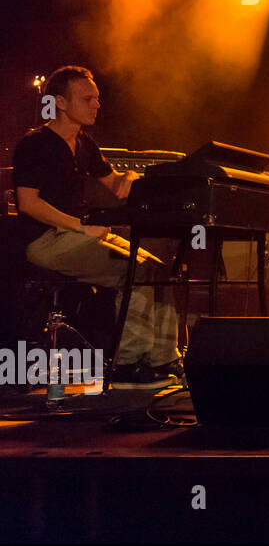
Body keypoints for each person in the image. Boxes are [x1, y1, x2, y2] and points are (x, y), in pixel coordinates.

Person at [13, 65, 181, 389]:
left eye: (98, 98)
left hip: (75, 234)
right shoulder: (35, 145)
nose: (97, 104)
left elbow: (117, 186)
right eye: (88, 97)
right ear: (61, 102)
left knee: (158, 266)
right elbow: (28, 203)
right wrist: (80, 227)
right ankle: (128, 365)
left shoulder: (85, 144)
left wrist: (137, 179)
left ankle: (163, 358)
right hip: (46, 240)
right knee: (133, 268)